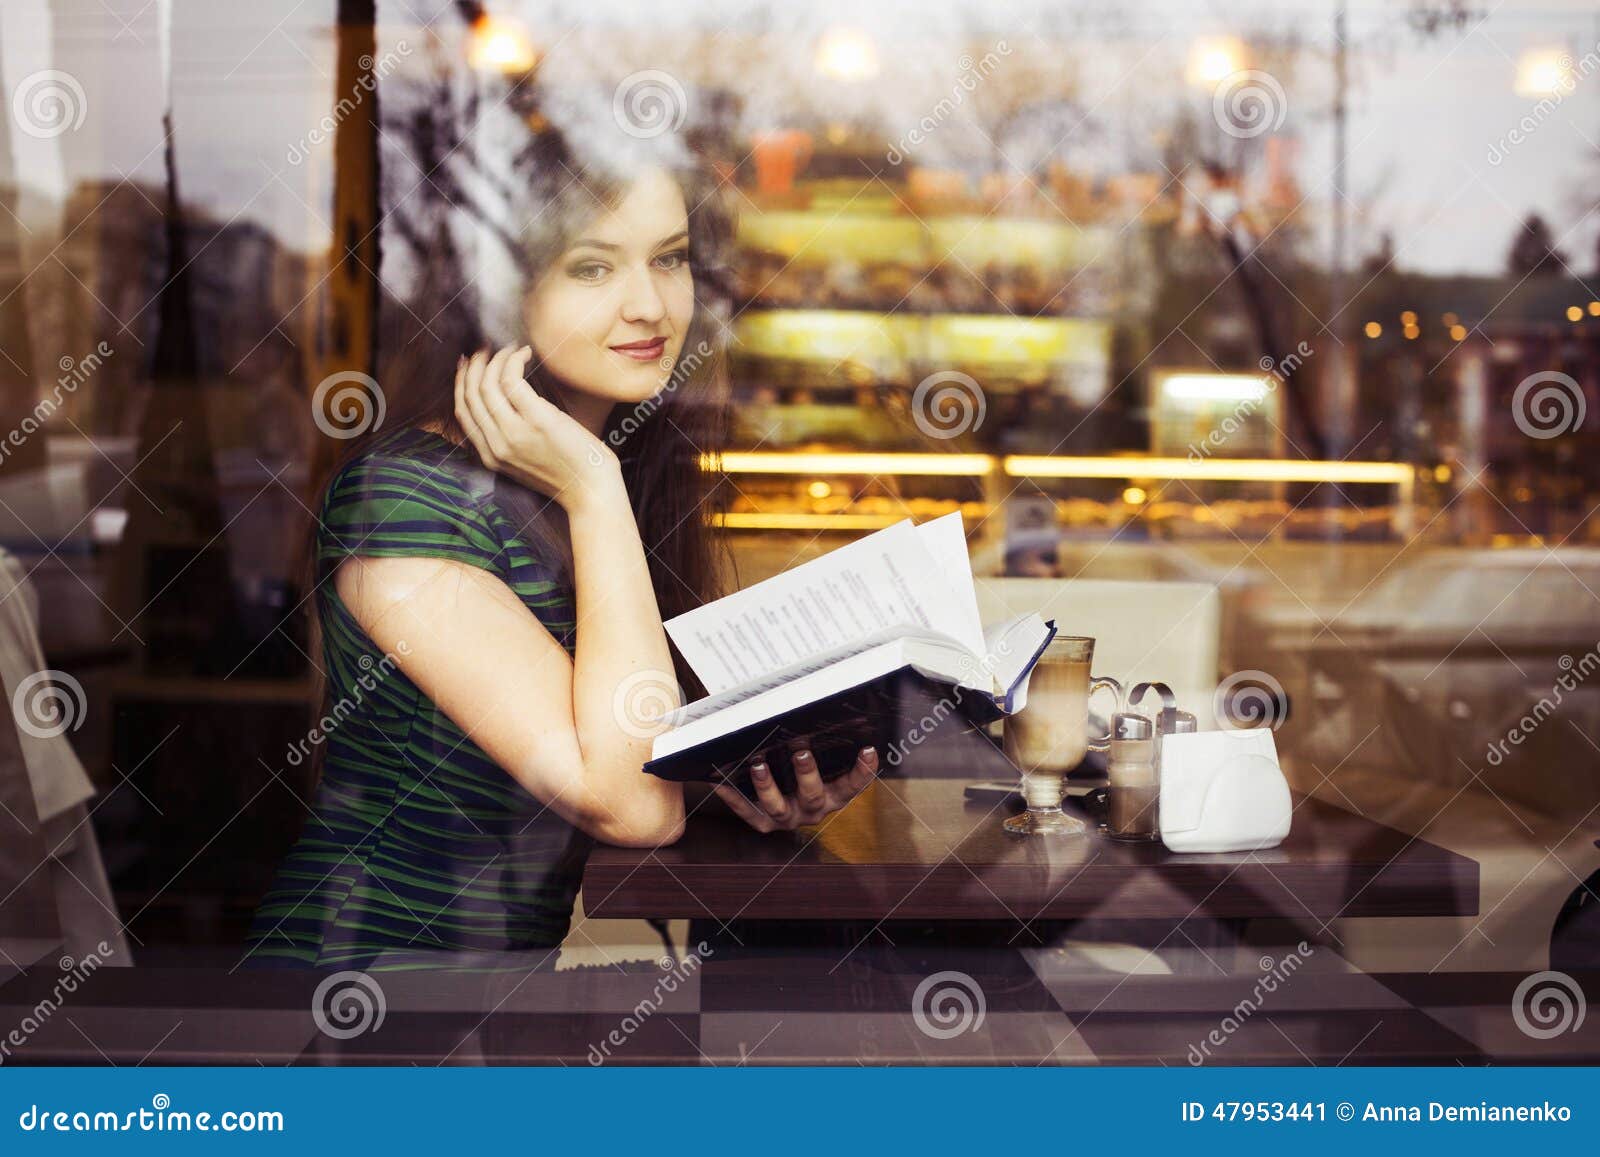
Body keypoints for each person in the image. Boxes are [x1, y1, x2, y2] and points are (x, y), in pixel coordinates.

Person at [243, 112, 876, 973]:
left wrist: (755, 784)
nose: (650, 305)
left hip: (488, 1008)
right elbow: (631, 808)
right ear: (505, 290)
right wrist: (591, 483)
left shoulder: (609, 474)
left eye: (669, 258)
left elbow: (636, 758)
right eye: (592, 266)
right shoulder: (406, 501)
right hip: (357, 1004)